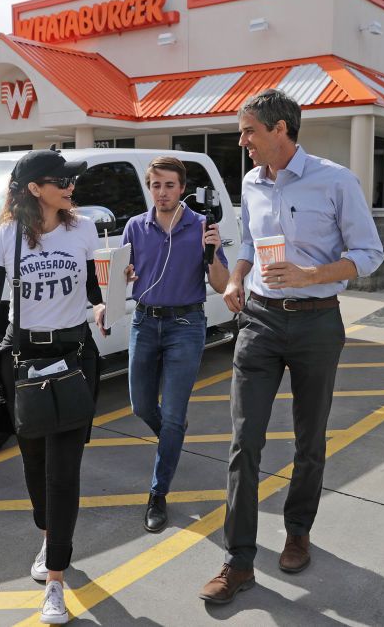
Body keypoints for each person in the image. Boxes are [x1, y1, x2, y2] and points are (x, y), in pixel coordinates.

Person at [199, 89, 384, 604]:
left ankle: (298, 530)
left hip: (316, 324)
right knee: (244, 443)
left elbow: (368, 254)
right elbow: (251, 247)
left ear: (281, 130)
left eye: (249, 131)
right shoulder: (251, 183)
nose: (243, 142)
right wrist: (237, 278)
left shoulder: (336, 180)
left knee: (310, 439)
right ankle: (238, 561)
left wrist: (310, 275)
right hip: (258, 322)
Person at [0, 149, 106, 625]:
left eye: (71, 180)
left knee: (64, 470)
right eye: (60, 180)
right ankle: (50, 535)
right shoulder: (5, 238)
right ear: (33, 189)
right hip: (22, 359)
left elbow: (91, 284)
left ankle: (55, 581)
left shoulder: (83, 229)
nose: (70, 186)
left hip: (73, 357)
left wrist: (104, 301)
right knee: (34, 463)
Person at [122, 156, 230, 533]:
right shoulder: (136, 226)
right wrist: (123, 278)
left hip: (186, 324)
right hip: (144, 322)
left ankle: (157, 493)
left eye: (169, 185)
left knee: (171, 415)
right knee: (140, 405)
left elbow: (220, 283)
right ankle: (173, 433)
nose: (162, 192)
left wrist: (213, 252)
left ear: (182, 188)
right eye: (156, 185)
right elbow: (124, 276)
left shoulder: (201, 226)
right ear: (149, 187)